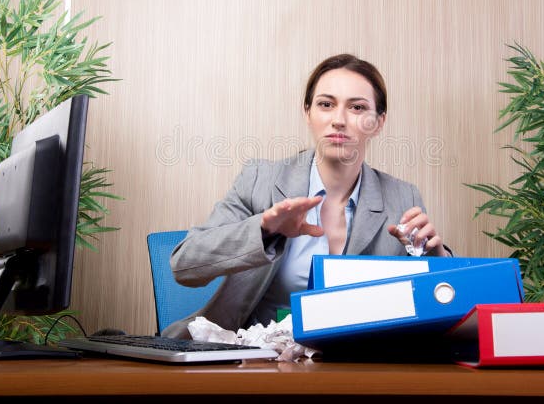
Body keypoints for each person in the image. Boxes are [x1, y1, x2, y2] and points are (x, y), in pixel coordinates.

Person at [164, 54, 451, 338]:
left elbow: (443, 302)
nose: (339, 120)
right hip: (256, 360)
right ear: (308, 113)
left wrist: (434, 256)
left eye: (357, 108)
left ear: (378, 122)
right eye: (326, 104)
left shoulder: (401, 197)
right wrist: (265, 230)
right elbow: (185, 265)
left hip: (357, 364)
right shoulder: (260, 181)